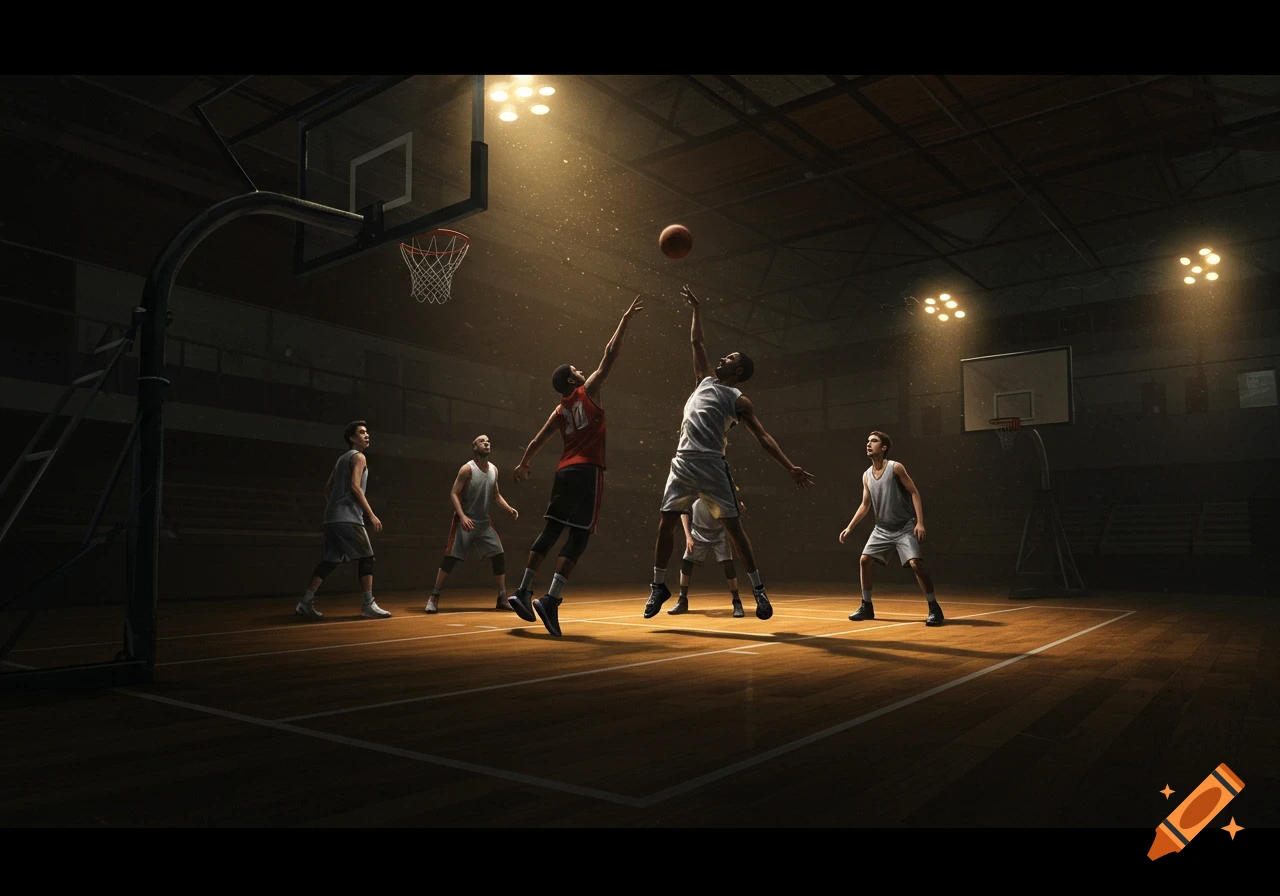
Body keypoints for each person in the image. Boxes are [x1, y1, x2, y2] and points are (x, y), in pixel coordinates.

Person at [644, 284, 814, 621]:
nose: (722, 358)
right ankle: (658, 587)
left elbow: (763, 436)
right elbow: (696, 343)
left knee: (735, 530)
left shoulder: (737, 399)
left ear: (737, 372)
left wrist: (789, 467)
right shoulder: (703, 381)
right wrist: (696, 310)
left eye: (730, 359)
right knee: (665, 525)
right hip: (682, 462)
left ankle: (759, 592)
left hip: (710, 465)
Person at [509, 295, 645, 637]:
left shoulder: (559, 410)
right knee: (580, 536)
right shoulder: (589, 390)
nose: (582, 371)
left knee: (551, 531)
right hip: (587, 471)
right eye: (576, 371)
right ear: (572, 381)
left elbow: (538, 440)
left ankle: (524, 590)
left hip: (563, 471)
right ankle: (551, 599)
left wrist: (525, 463)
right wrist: (625, 321)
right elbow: (610, 355)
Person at [838, 430, 944, 626]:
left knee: (916, 565)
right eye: (867, 441)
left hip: (904, 527)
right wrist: (850, 527)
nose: (869, 444)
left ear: (884, 447)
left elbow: (914, 492)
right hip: (881, 529)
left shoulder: (896, 468)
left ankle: (934, 607)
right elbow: (865, 505)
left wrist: (920, 522)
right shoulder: (866, 475)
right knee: (864, 560)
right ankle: (866, 606)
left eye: (874, 441)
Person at [296, 420, 392, 620]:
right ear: (351, 438)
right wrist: (371, 515)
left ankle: (305, 602)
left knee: (329, 561)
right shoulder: (358, 457)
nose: (367, 435)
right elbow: (355, 488)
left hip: (331, 518)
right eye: (361, 432)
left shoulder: (341, 459)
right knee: (367, 557)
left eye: (367, 432)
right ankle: (368, 604)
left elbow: (327, 488)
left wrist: (333, 507)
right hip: (349, 518)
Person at [425, 434, 519, 613]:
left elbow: (496, 495)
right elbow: (453, 493)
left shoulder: (494, 470)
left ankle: (502, 597)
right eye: (482, 441)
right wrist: (462, 516)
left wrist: (508, 508)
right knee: (450, 559)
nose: (486, 443)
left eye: (488, 441)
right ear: (475, 447)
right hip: (465, 521)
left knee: (499, 555)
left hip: (484, 523)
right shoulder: (467, 469)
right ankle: (434, 596)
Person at [667, 497, 747, 618]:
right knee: (686, 563)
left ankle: (737, 601)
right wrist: (688, 536)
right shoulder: (693, 489)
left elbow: (736, 508)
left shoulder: (719, 488)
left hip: (720, 532)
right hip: (697, 533)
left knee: (728, 565)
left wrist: (739, 509)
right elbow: (684, 512)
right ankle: (682, 601)